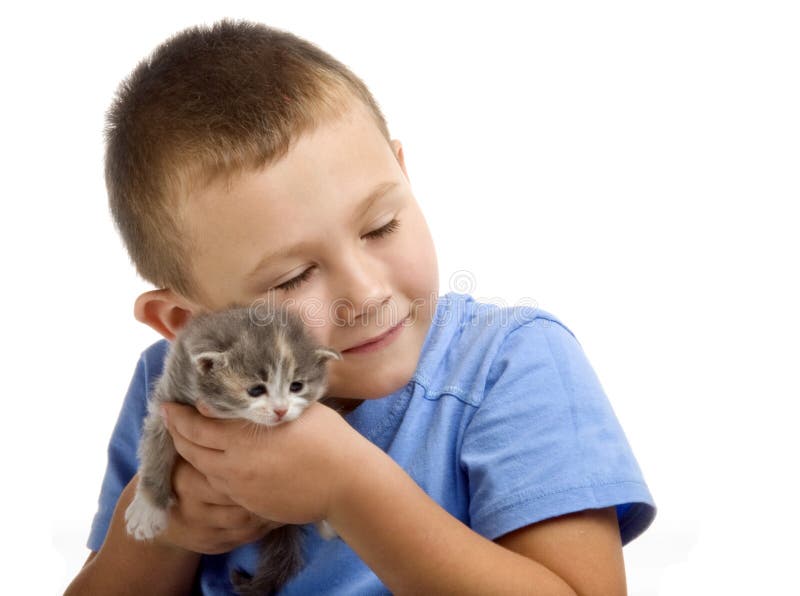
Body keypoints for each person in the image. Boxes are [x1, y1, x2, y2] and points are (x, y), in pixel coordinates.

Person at [65, 18, 656, 595]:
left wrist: (350, 489)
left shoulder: (510, 364)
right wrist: (159, 535)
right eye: (293, 278)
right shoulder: (177, 391)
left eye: (381, 226)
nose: (368, 294)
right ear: (191, 326)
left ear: (404, 172)